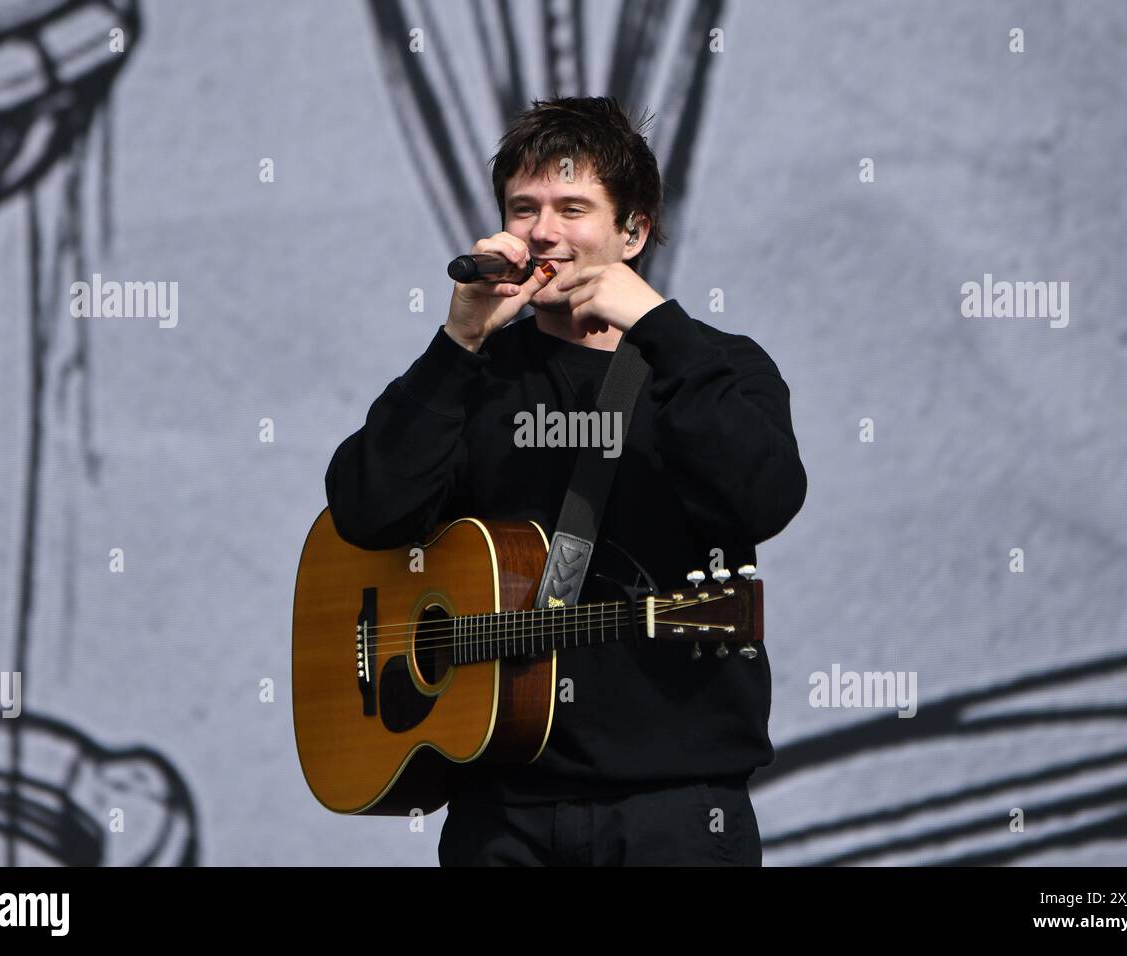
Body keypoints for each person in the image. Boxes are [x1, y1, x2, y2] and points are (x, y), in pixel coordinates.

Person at [325, 95, 806, 865]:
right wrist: (457, 342)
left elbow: (762, 498)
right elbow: (365, 511)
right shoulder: (474, 378)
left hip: (674, 808)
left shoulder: (714, 367)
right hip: (502, 813)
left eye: (572, 207)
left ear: (634, 231)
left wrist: (660, 329)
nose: (543, 231)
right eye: (524, 208)